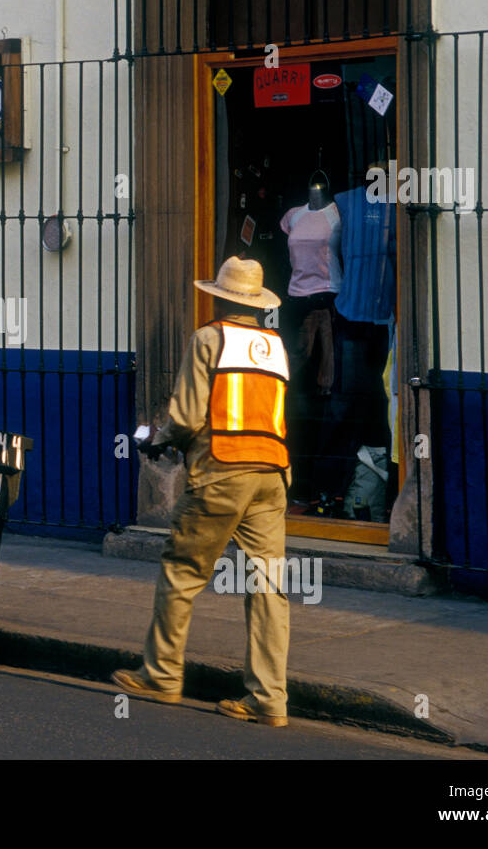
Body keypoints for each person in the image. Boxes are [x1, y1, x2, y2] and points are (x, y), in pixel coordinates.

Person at [112, 256, 293, 727]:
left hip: (221, 471)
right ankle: (269, 699)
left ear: (218, 296)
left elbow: (189, 417)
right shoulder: (275, 345)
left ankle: (162, 675)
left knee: (182, 571)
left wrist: (159, 438)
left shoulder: (209, 339)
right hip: (272, 474)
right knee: (268, 586)